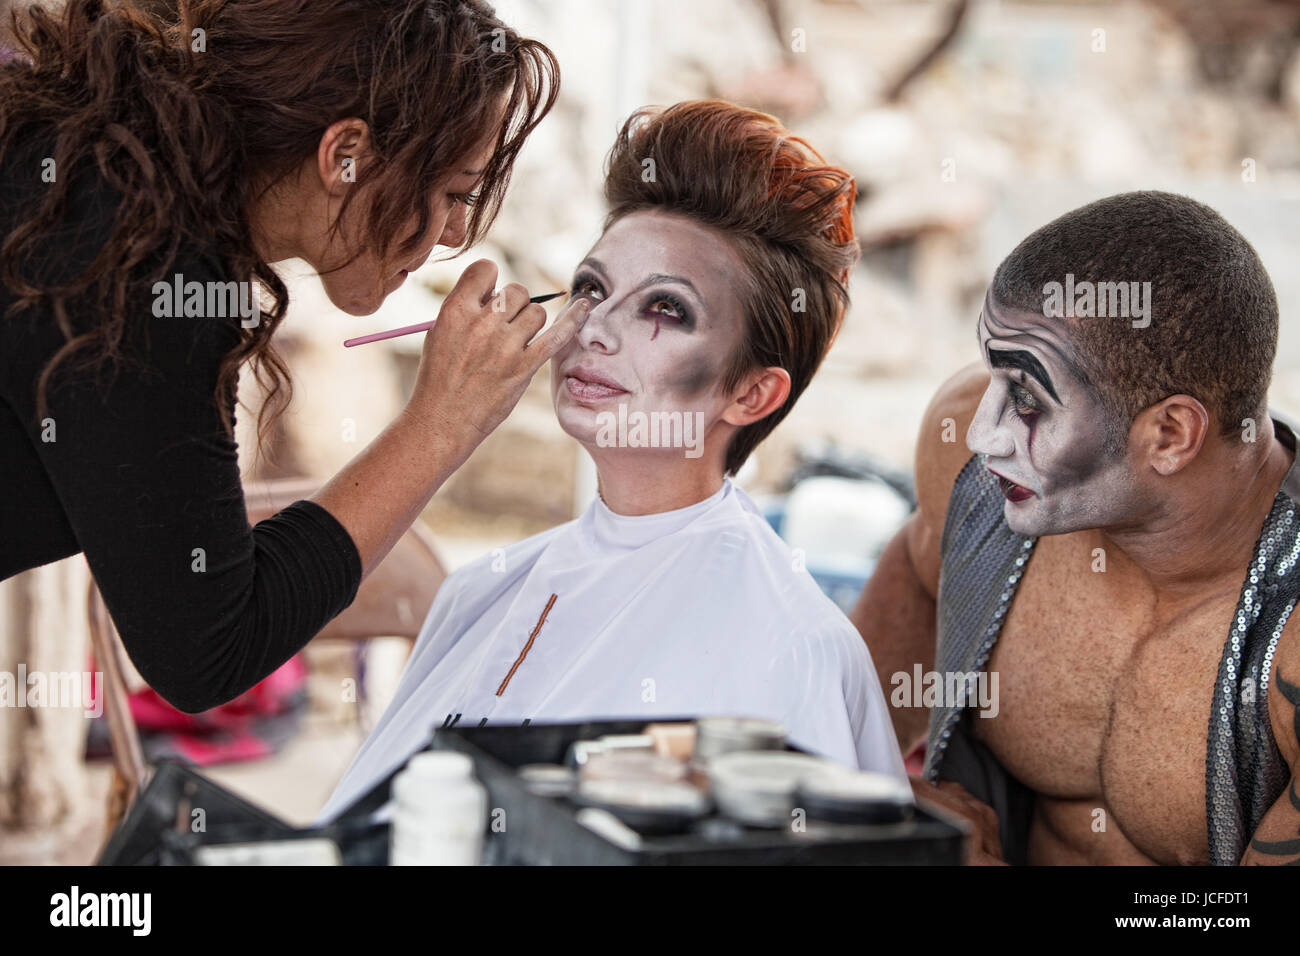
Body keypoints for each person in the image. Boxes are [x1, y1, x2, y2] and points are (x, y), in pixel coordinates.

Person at [316, 100, 907, 822]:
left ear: (753, 394)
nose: (593, 326)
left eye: (665, 309)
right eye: (593, 288)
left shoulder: (794, 650)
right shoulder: (479, 592)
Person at [0, 0, 589, 713]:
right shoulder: (142, 260)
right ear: (345, 152)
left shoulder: (108, 177)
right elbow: (206, 647)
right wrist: (443, 422)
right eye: (451, 192)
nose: (457, 233)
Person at [852, 191, 1300, 865]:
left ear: (1172, 434)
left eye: (1027, 398)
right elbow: (923, 571)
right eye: (995, 371)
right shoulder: (976, 475)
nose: (981, 432)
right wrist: (876, 801)